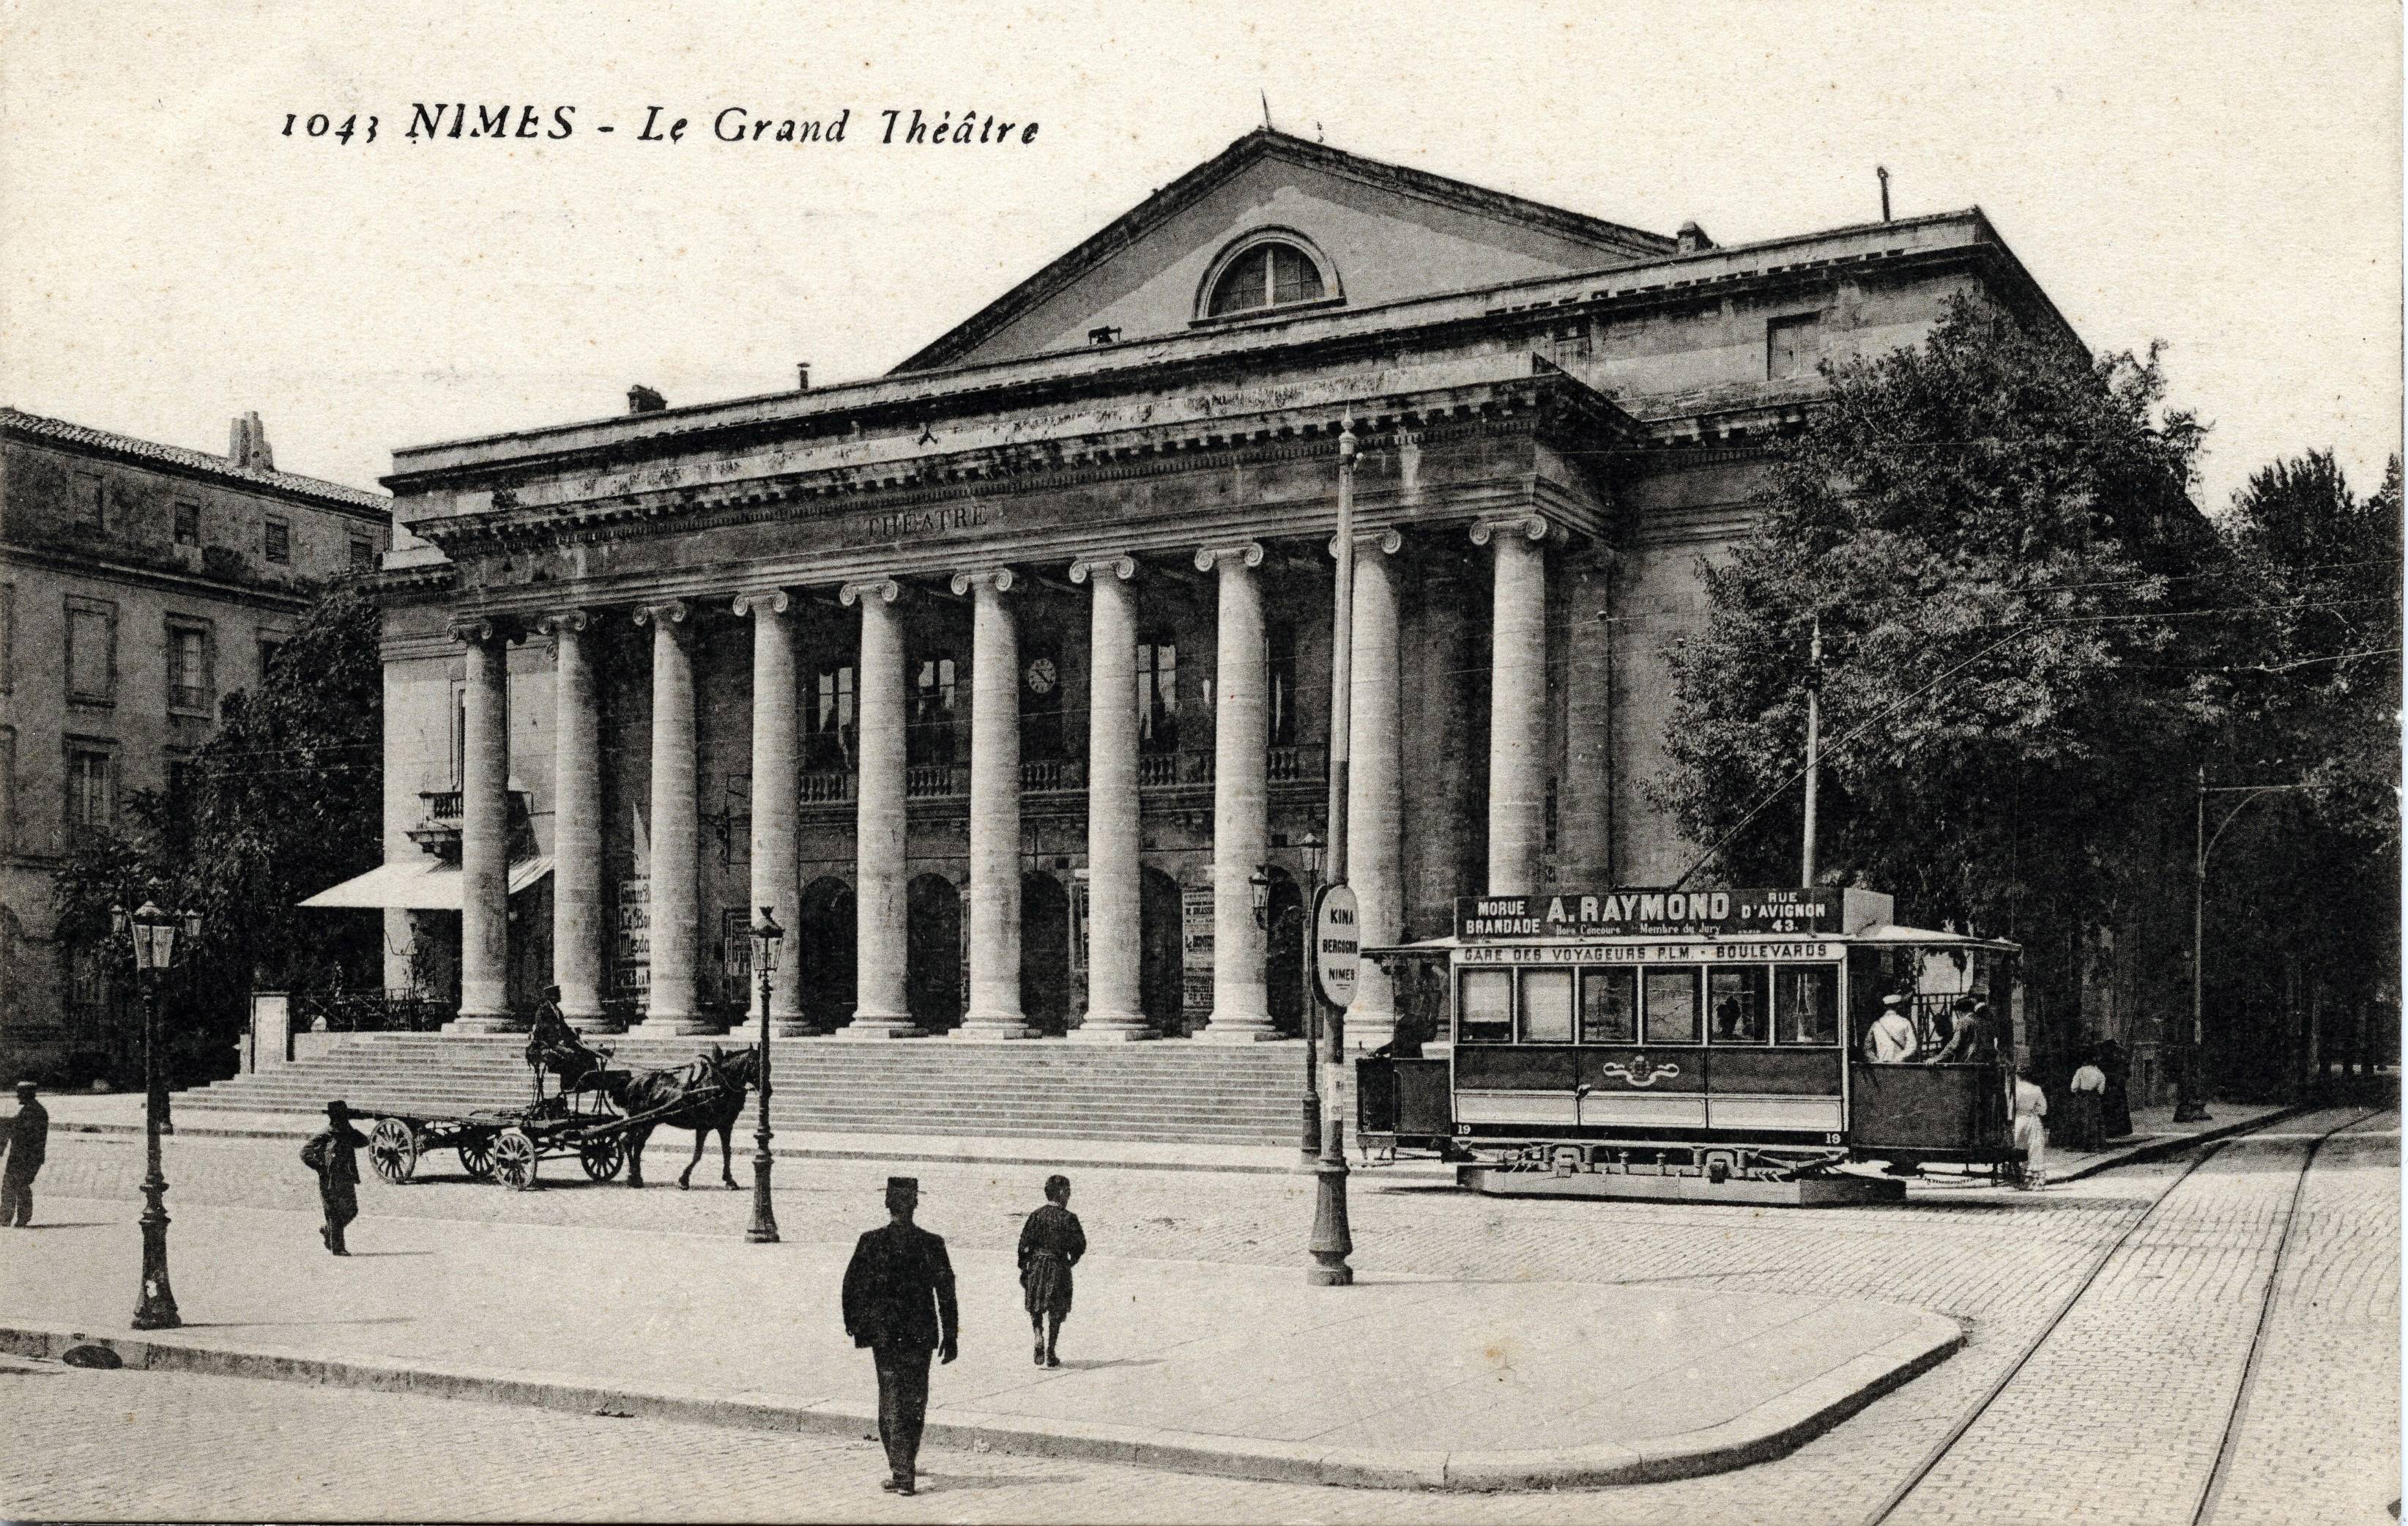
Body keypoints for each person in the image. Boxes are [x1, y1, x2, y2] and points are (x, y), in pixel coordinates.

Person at [841, 1176, 959, 1497]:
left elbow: (851, 1286)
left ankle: (903, 1471)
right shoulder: (932, 1243)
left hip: (885, 1335)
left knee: (891, 1398)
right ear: (915, 1204)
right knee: (916, 1399)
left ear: (887, 1204)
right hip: (921, 1335)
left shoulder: (870, 1241)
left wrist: (854, 1323)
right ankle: (904, 1465)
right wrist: (951, 1335)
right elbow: (947, 1293)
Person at [1017, 1174, 1088, 1368]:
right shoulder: (1069, 1218)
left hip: (1038, 1264)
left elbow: (1024, 1244)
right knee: (1057, 1310)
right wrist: (1071, 1261)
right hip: (1058, 1266)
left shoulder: (1037, 1215)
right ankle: (1051, 1352)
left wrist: (1025, 1266)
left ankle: (1038, 1332)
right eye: (1069, 1192)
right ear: (1063, 1194)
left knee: (1036, 1304)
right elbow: (1080, 1245)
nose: (1070, 1196)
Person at [302, 1099, 370, 1254]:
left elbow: (364, 1141)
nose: (343, 1120)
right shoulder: (326, 1134)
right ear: (335, 1118)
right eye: (341, 1117)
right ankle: (338, 1248)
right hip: (329, 1179)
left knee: (352, 1210)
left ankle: (328, 1231)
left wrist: (351, 1129)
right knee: (334, 1212)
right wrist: (322, 1166)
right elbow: (305, 1152)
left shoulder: (347, 1132)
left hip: (346, 1177)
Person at [1, 1081, 49, 1228]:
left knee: (20, 1185)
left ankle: (22, 1218)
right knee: (10, 1185)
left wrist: (7, 1124)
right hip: (19, 1155)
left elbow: (23, 1132)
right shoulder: (30, 1109)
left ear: (29, 1093)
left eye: (20, 1093)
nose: (17, 1096)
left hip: (28, 1157)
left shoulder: (36, 1112)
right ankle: (5, 1218)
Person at [2011, 1066, 2049, 1190]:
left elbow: (2011, 1107)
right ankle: (2037, 1179)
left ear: (2018, 1076)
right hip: (2032, 1120)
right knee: (2034, 1148)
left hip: (2018, 1120)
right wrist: (2033, 1110)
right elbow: (2043, 1110)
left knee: (2017, 1148)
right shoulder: (2036, 1089)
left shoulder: (2015, 1089)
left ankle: (2023, 1177)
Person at [2065, 1052, 2108, 1152]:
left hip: (2081, 1097)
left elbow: (2074, 1087)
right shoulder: (2100, 1074)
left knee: (2077, 1119)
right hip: (2094, 1098)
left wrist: (2078, 1091)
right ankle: (2094, 1146)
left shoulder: (2080, 1071)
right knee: (2094, 1121)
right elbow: (2101, 1091)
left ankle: (2074, 1144)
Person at [2096, 1038, 2134, 1138]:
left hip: (2111, 1088)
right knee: (2115, 1110)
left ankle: (2114, 1131)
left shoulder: (2107, 1061)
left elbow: (2126, 1074)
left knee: (2112, 1110)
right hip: (2113, 1088)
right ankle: (2118, 1131)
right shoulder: (2117, 1060)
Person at [1868, 995, 1920, 1063]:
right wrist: (1899, 1058)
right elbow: (1912, 1046)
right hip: (1900, 1066)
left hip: (1881, 1067)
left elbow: (1867, 1048)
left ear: (1885, 1007)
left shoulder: (1876, 1024)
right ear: (1899, 1006)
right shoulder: (1905, 1022)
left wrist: (1876, 1060)